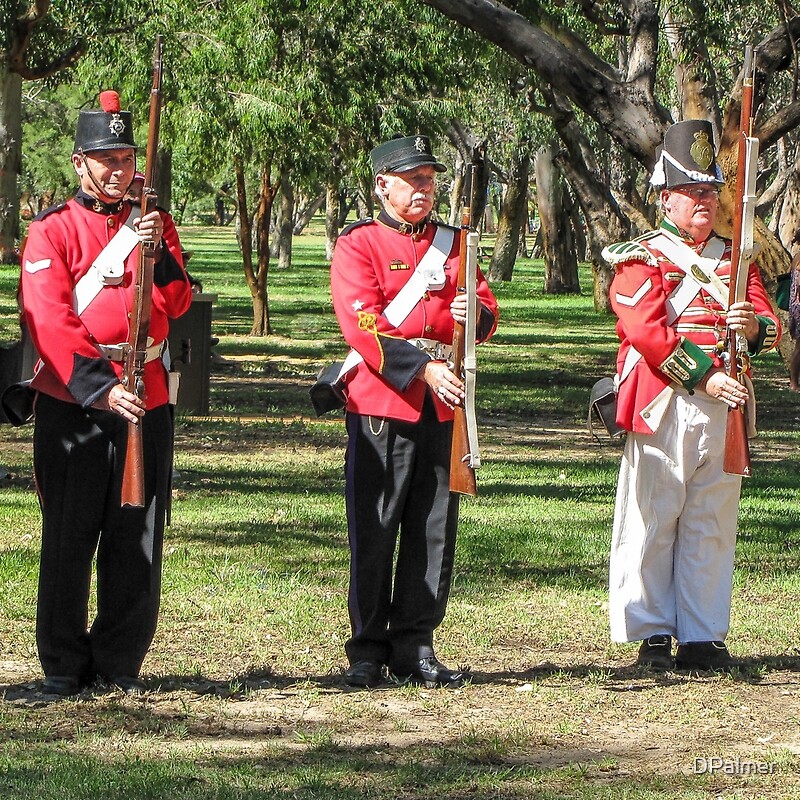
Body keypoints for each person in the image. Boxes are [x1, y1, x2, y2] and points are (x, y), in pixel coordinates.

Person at [16, 90, 192, 695]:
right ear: (79, 163)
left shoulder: (154, 223)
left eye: (124, 158)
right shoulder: (52, 231)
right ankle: (64, 663)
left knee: (137, 531)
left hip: (146, 393)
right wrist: (98, 387)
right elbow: (49, 320)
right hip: (76, 403)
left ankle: (120, 660)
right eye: (104, 159)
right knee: (70, 533)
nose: (117, 169)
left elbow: (175, 305)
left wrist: (156, 251)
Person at [602, 120, 781, 672]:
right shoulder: (641, 256)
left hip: (726, 405)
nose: (704, 201)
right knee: (655, 516)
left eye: (710, 191)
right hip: (665, 401)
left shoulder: (737, 257)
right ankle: (652, 631)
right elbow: (646, 330)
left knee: (711, 518)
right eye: (692, 192)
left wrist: (750, 326)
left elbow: (769, 324)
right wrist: (704, 377)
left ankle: (702, 634)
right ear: (665, 200)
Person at [329, 135, 499, 688]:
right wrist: (423, 369)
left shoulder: (456, 244)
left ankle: (416, 643)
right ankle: (367, 647)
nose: (423, 188)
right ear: (382, 186)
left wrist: (471, 312)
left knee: (432, 528)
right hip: (386, 400)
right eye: (412, 180)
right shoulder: (359, 245)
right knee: (375, 526)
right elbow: (364, 325)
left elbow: (485, 310)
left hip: (443, 402)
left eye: (428, 178)